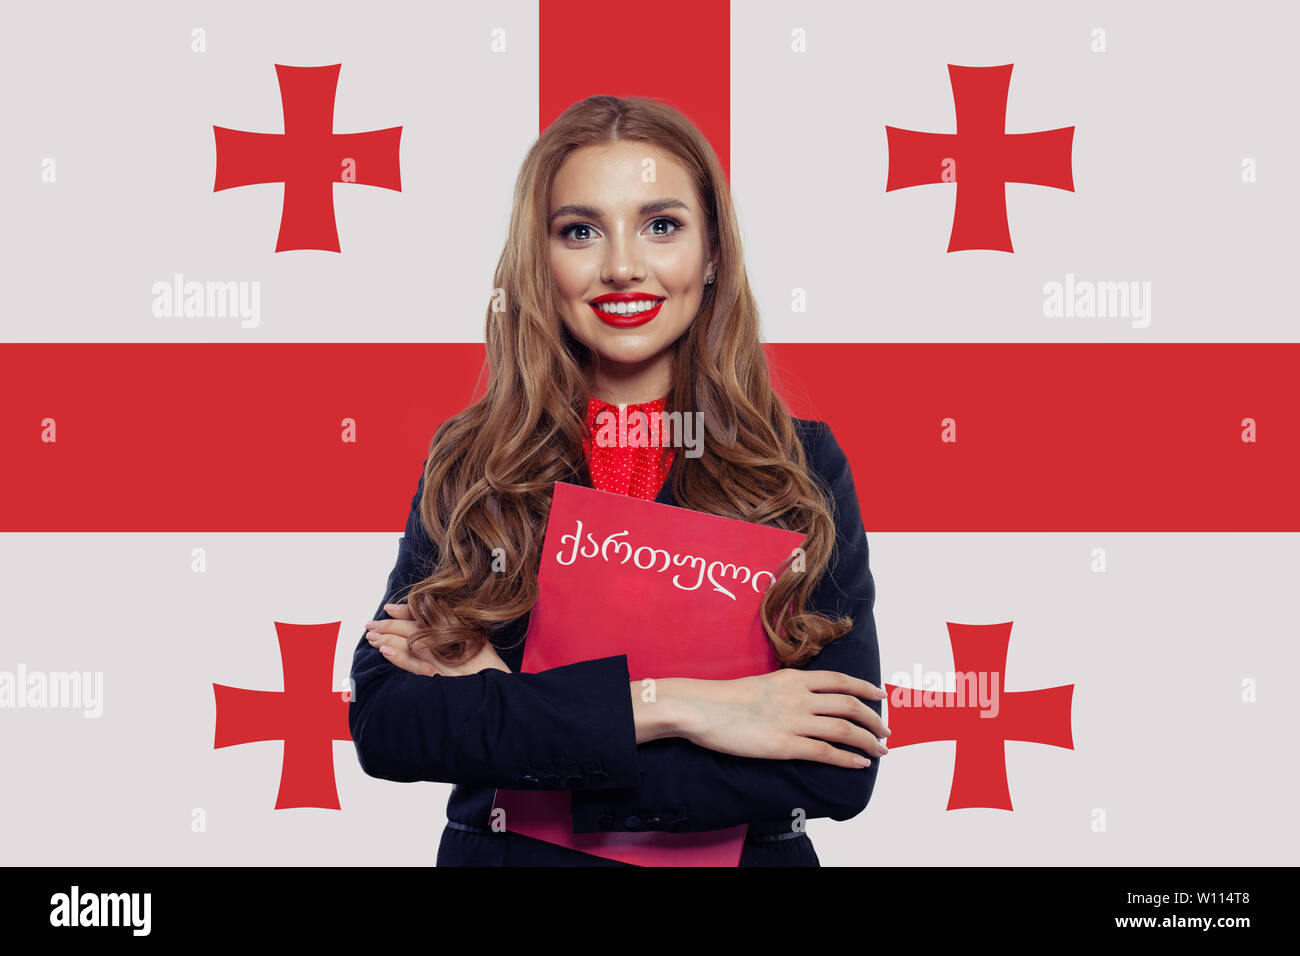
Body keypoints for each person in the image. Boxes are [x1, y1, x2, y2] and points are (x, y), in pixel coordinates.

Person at [349, 95, 889, 866]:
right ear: (543, 261)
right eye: (580, 231)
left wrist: (513, 710)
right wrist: (691, 707)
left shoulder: (797, 467)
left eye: (660, 225)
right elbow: (391, 722)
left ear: (711, 257)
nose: (622, 266)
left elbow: (837, 765)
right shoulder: (476, 460)